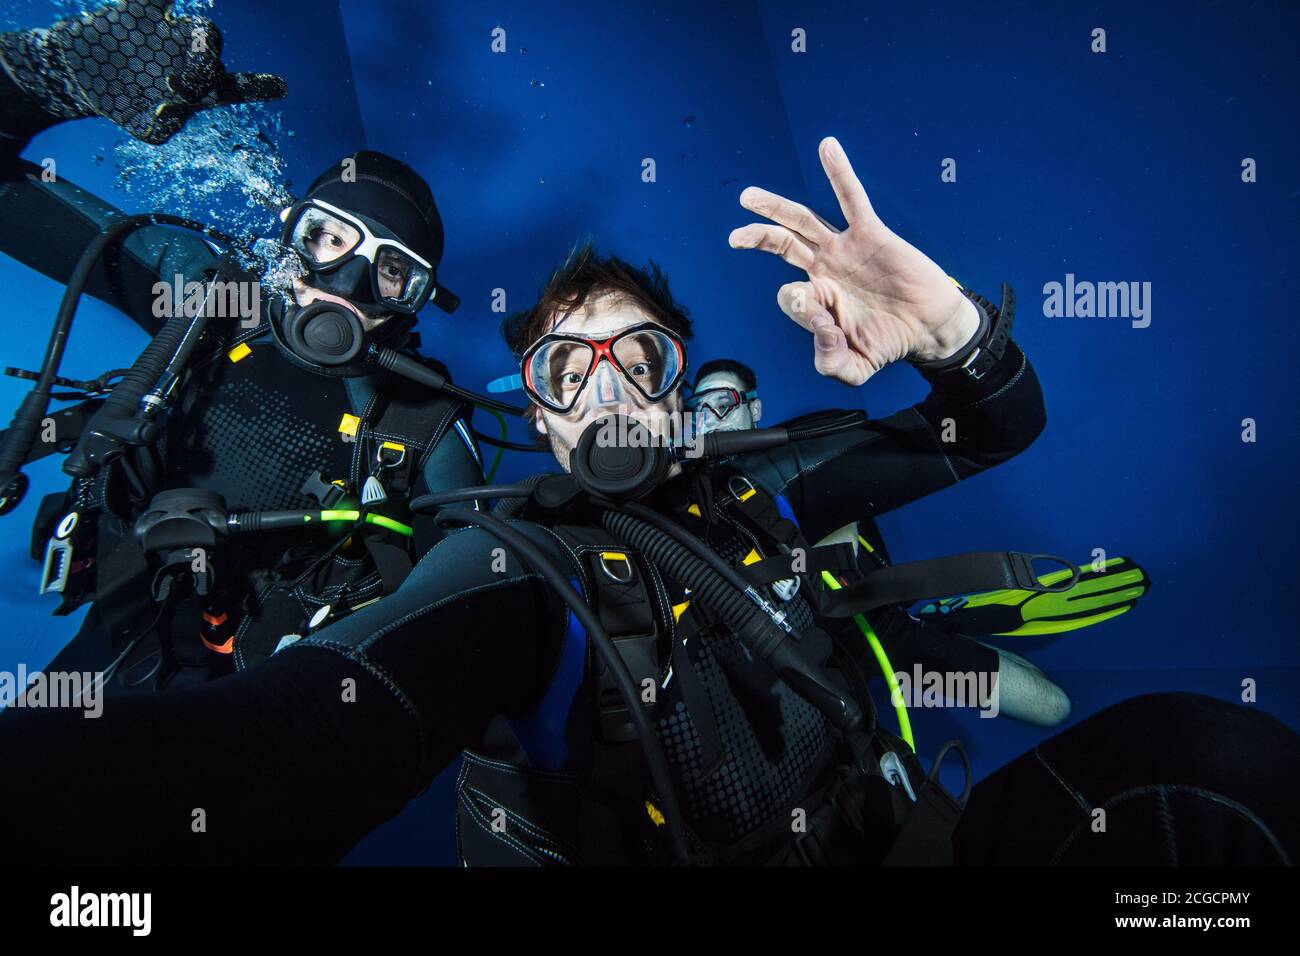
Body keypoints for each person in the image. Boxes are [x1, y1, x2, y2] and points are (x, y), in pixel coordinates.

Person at [0, 135, 1296, 868]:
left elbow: (992, 421)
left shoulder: (764, 480)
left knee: (1208, 763)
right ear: (542, 412)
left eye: (644, 360)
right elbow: (288, 743)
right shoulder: (512, 568)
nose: (609, 389)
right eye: (571, 365)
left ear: (679, 395)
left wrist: (949, 326)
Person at [0, 0, 486, 689]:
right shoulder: (205, 303)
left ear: (413, 299)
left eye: (391, 270)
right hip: (109, 641)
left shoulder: (423, 427)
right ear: (290, 234)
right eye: (329, 237)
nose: (345, 282)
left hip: (270, 707)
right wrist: (41, 79)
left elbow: (474, 624)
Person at [687, 358, 1089, 728]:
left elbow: (993, 426)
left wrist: (954, 344)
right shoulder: (688, 496)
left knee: (1051, 707)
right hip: (805, 672)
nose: (710, 421)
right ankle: (941, 623)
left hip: (876, 631)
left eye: (723, 403)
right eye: (698, 409)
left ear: (754, 409)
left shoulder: (791, 461)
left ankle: (939, 621)